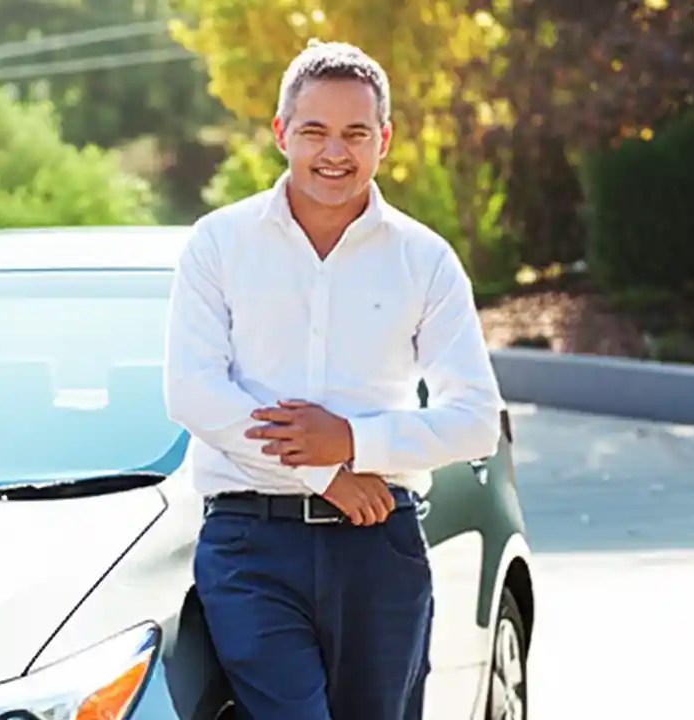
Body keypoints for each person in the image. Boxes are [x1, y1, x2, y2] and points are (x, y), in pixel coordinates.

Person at [162, 40, 505, 720]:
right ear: (281, 134)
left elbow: (475, 419)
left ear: (384, 140)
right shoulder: (218, 244)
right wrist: (327, 472)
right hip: (250, 545)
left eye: (355, 134)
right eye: (314, 131)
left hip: (379, 547)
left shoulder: (425, 260)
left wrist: (351, 439)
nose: (334, 153)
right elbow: (194, 394)